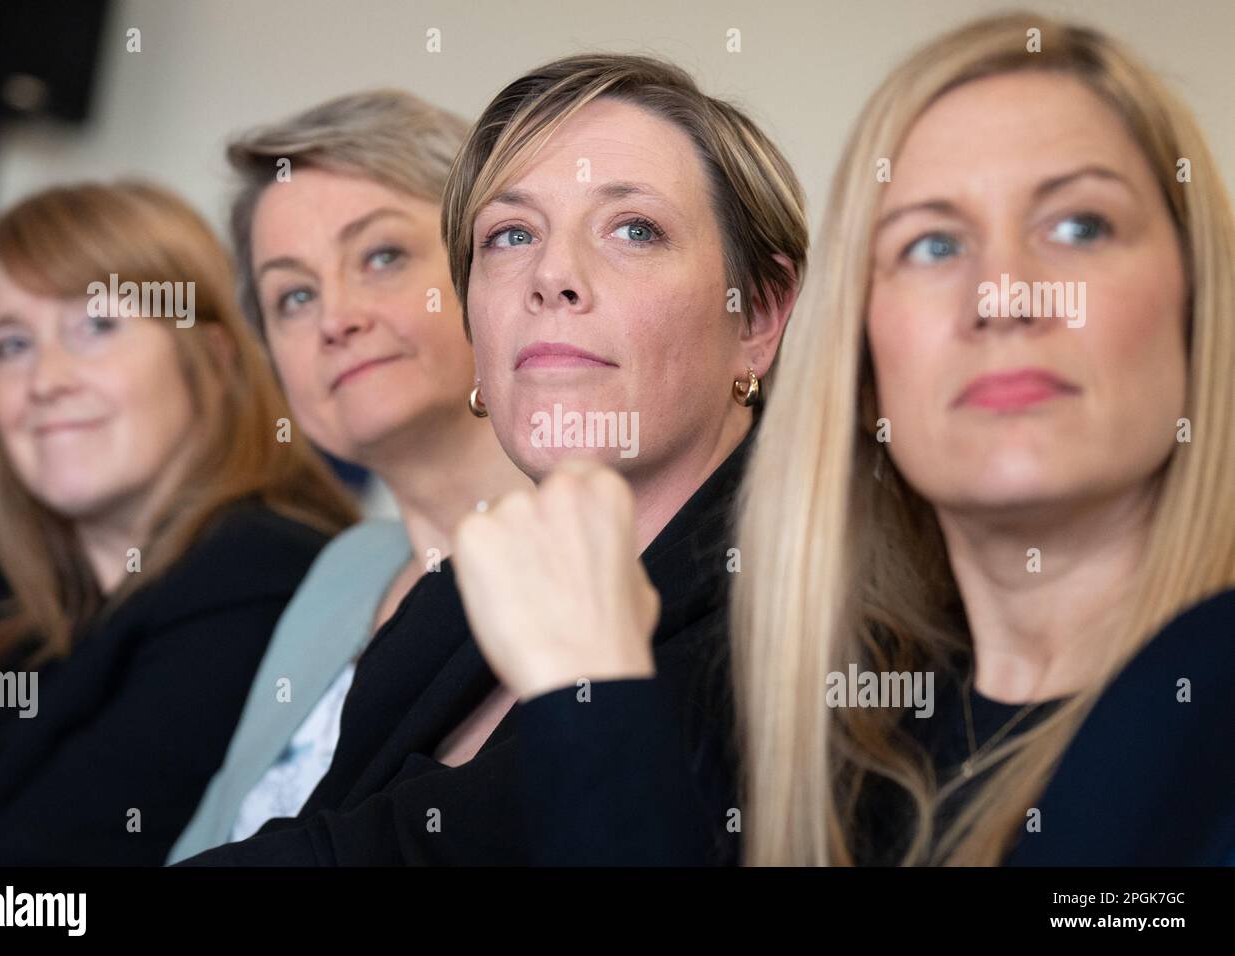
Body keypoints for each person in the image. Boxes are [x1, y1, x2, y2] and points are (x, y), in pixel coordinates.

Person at [461, 13, 1235, 866]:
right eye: (933, 245)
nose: (1003, 295)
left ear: (1199, 302)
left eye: (1079, 226)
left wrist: (593, 700)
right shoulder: (843, 747)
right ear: (864, 362)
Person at [178, 51, 806, 865]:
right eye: (511, 235)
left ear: (757, 314)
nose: (552, 274)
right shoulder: (449, 599)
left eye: (634, 228)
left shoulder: (797, 619)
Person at [0, 181, 358, 865]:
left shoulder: (260, 580)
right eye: (11, 345)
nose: (45, 380)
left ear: (213, 357)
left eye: (97, 327)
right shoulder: (4, 591)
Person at [168, 90, 531, 861]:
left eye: (381, 257)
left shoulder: (609, 558)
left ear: (493, 262)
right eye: (294, 296)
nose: (335, 319)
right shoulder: (346, 567)